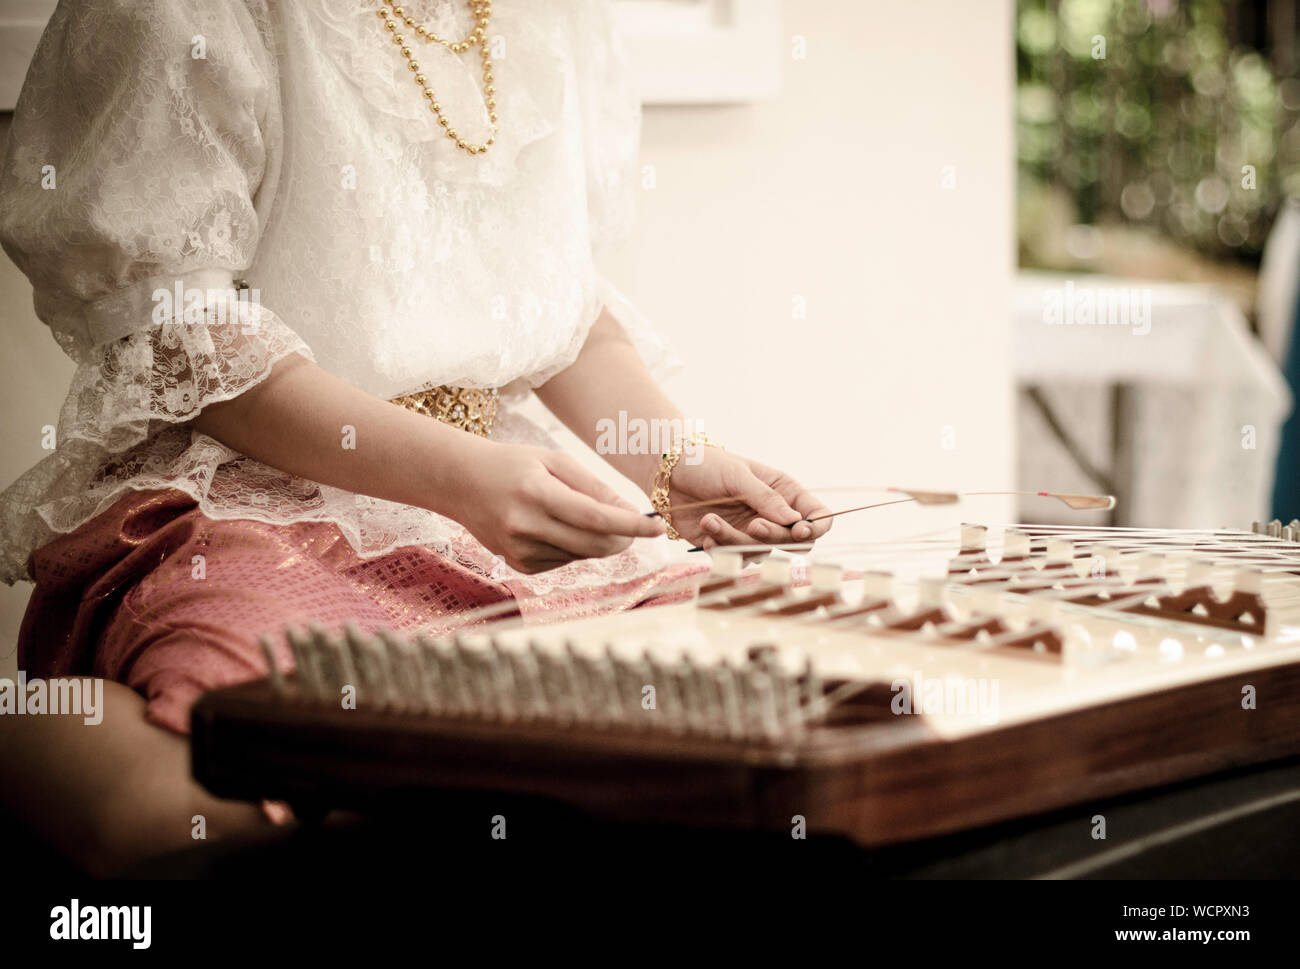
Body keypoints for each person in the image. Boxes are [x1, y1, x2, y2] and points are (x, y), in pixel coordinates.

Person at [0, 0, 830, 875]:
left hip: (494, 496)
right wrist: (467, 482)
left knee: (688, 741)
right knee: (211, 806)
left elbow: (557, 310)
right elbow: (187, 339)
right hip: (259, 497)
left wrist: (675, 466)